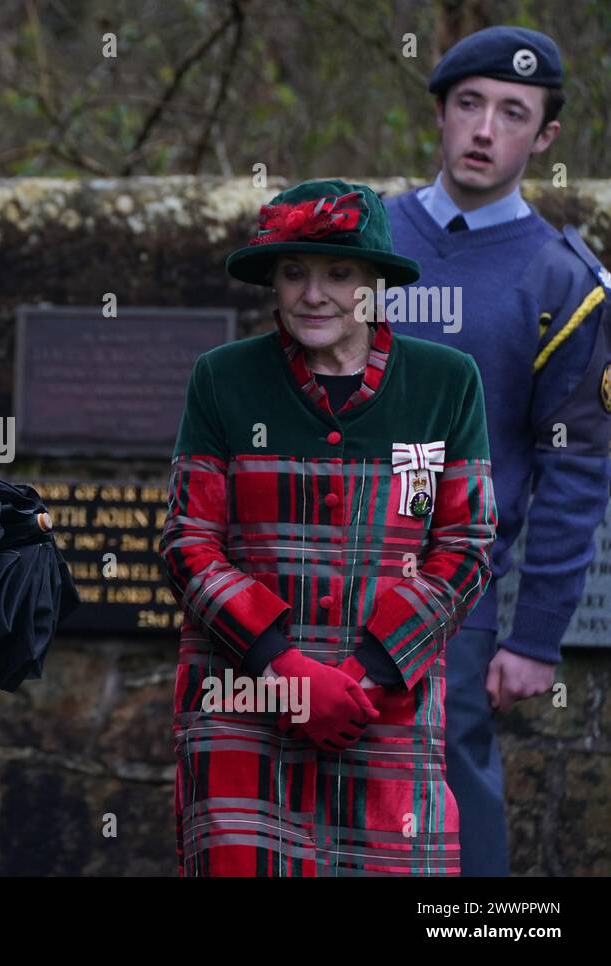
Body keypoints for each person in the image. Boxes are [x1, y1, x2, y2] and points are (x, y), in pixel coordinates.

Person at [159, 179, 498, 875]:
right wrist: (282, 668)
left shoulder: (447, 383)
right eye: (294, 273)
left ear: (376, 283)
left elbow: (464, 551)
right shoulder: (222, 379)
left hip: (386, 715)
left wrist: (369, 672)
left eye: (339, 273)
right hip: (243, 708)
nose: (314, 294)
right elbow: (189, 542)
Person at [384, 25, 611, 876]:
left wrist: (536, 638)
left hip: (457, 600)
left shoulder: (567, 286)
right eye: (469, 105)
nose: (484, 129)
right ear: (441, 114)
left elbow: (576, 473)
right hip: (314, 577)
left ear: (544, 137)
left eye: (512, 113)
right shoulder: (358, 243)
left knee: (449, 806)